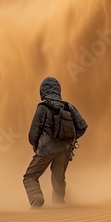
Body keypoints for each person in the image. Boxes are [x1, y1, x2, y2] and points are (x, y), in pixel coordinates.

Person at [23, 77, 87, 207]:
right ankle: (59, 203)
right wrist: (71, 140)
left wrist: (36, 145)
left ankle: (36, 199)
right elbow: (82, 126)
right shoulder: (68, 106)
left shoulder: (42, 107)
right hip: (64, 150)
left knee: (30, 177)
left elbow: (33, 133)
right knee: (58, 178)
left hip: (46, 149)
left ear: (42, 91)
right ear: (58, 90)